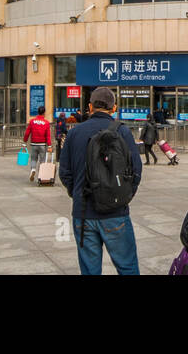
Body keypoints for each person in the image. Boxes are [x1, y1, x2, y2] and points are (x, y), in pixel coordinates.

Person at [58, 87, 142, 275]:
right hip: (116, 212)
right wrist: (123, 196)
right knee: (127, 267)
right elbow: (136, 170)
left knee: (90, 270)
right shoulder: (123, 132)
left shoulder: (74, 133)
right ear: (114, 108)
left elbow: (64, 173)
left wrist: (78, 193)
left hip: (83, 212)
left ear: (90, 107)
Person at [23, 106, 52, 181]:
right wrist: (49, 145)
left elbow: (27, 133)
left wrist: (25, 141)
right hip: (42, 144)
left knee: (33, 159)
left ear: (38, 112)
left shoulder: (32, 121)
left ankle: (33, 169)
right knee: (42, 160)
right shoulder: (46, 123)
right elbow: (48, 135)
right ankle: (41, 176)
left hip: (33, 144)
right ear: (44, 113)